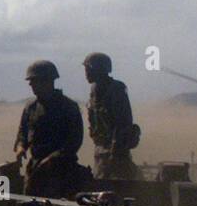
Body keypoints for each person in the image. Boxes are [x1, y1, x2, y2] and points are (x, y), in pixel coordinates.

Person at [14, 60, 84, 198]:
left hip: (62, 170)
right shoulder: (31, 107)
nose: (31, 85)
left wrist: (52, 159)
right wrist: (21, 148)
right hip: (35, 168)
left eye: (34, 81)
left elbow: (74, 141)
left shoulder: (68, 107)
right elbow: (23, 132)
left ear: (47, 81)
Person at [84, 52, 140, 180]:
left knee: (121, 184)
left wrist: (115, 151)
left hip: (116, 152)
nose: (86, 73)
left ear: (99, 69)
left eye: (88, 69)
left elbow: (123, 123)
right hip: (100, 149)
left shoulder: (116, 89)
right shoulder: (95, 90)